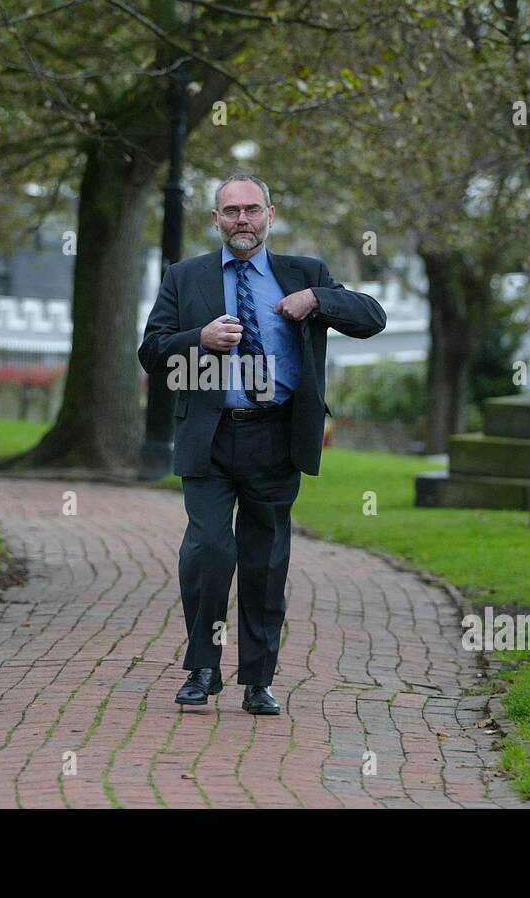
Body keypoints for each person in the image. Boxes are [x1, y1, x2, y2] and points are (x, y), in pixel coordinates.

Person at [137, 172, 387, 715]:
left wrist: (316, 299)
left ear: (270, 216)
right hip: (208, 435)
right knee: (208, 549)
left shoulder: (304, 274)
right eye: (231, 212)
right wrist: (199, 339)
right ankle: (203, 668)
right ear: (216, 220)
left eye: (252, 210)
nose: (242, 220)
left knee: (265, 561)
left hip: (275, 435)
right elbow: (152, 351)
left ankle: (258, 679)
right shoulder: (186, 277)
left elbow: (372, 318)